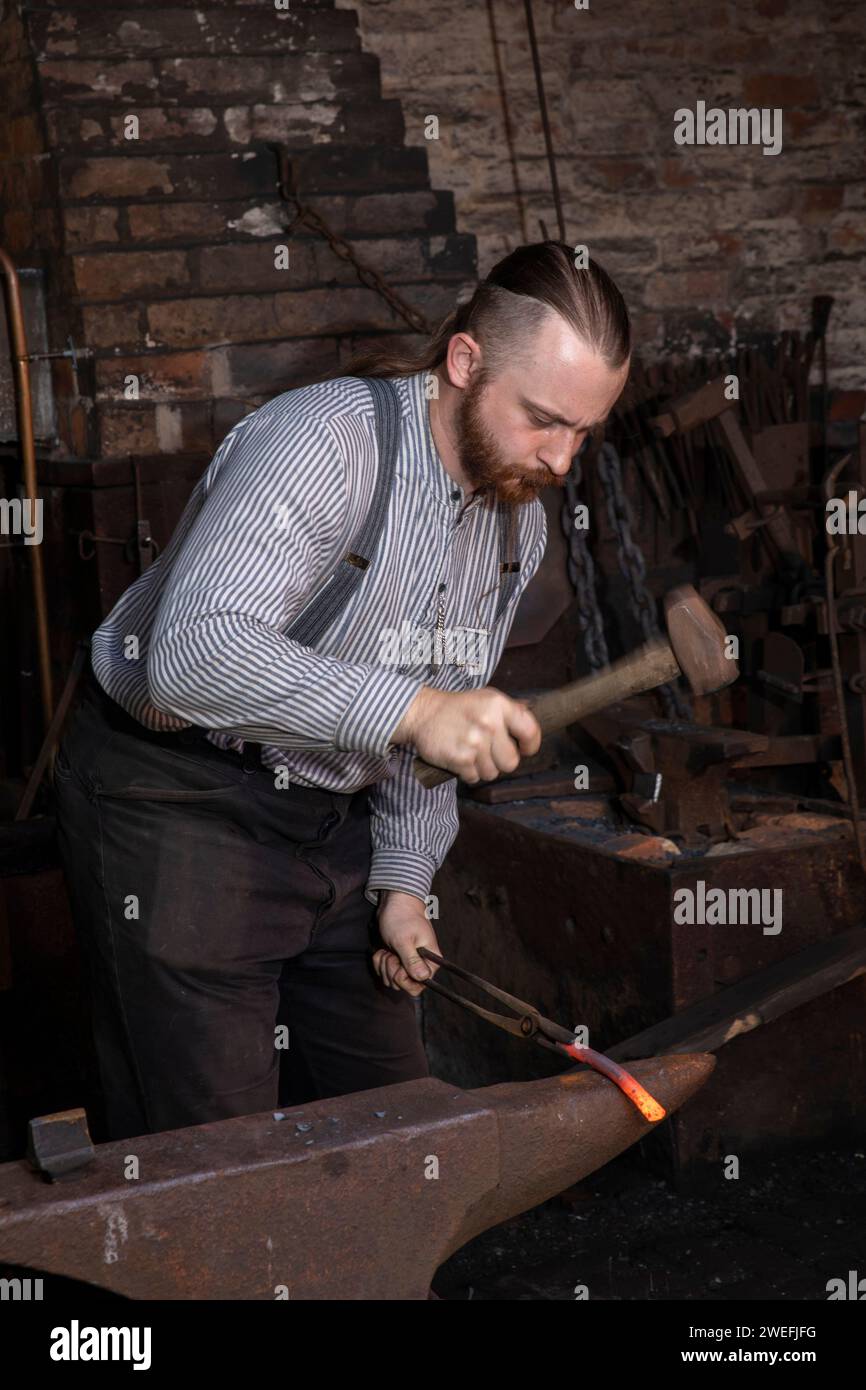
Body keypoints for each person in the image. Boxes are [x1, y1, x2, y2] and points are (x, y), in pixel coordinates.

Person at [53, 240, 631, 1142]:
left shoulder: (514, 515)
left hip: (334, 820)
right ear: (465, 361)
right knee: (217, 1152)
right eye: (544, 420)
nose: (562, 461)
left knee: (396, 1126)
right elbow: (192, 653)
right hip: (178, 798)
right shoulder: (321, 442)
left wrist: (403, 879)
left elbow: (435, 725)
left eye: (585, 433)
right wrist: (413, 711)